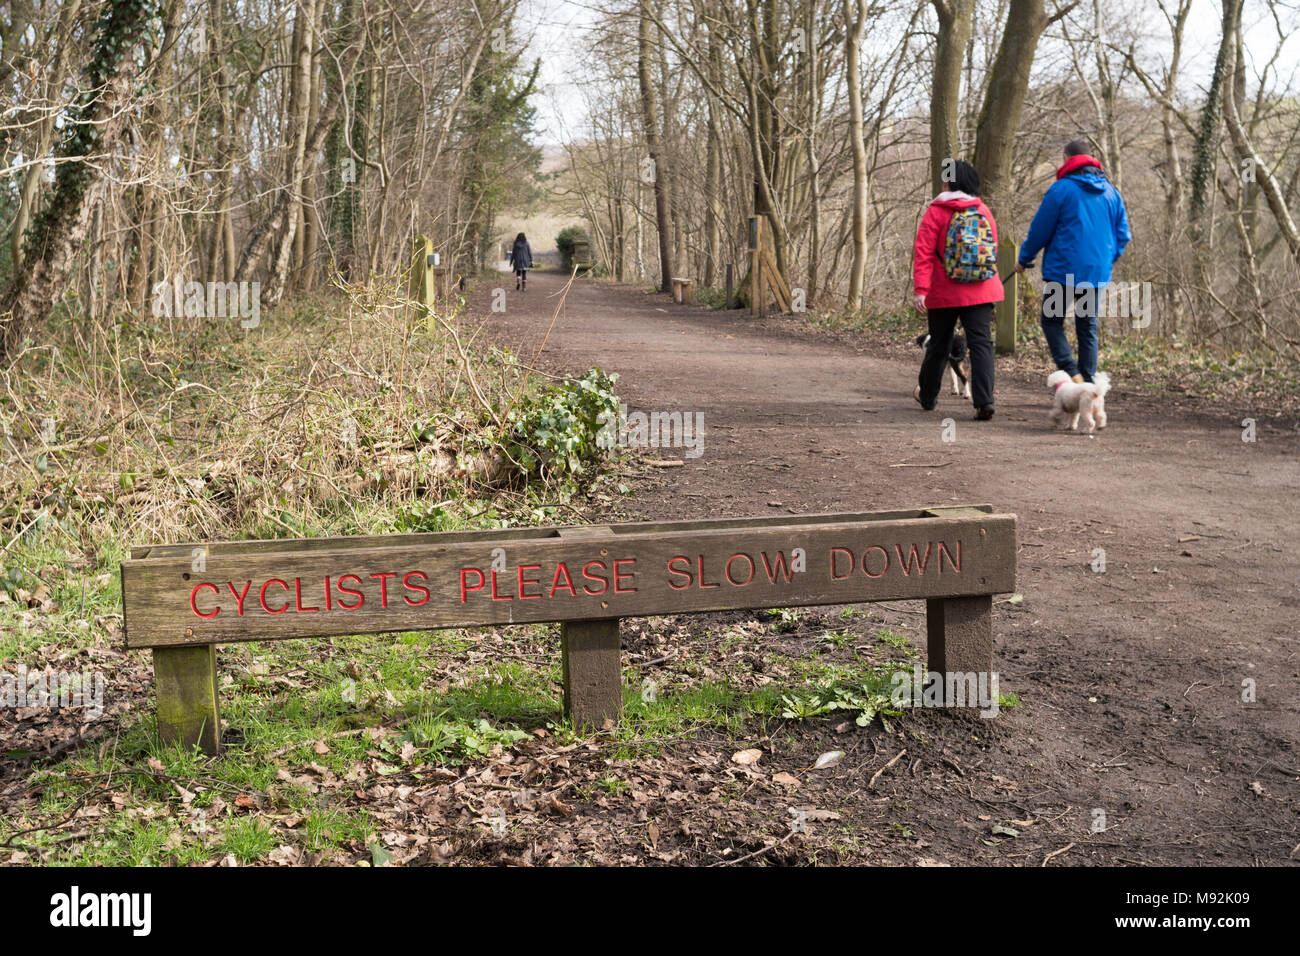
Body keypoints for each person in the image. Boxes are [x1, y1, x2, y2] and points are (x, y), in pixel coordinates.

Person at [1015, 140, 1131, 384]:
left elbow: (1040, 230)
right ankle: (1087, 383)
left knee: (1051, 321)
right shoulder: (1111, 192)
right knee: (1087, 326)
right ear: (1091, 158)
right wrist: (1108, 260)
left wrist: (1025, 259)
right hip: (1095, 272)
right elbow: (1123, 235)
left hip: (1063, 272)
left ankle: (1071, 373)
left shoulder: (1061, 190)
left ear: (1067, 158)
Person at [912, 160, 1003, 420]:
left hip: (944, 290)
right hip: (982, 289)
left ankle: (928, 397)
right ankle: (985, 401)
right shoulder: (982, 210)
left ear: (947, 182)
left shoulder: (936, 211)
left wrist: (921, 289)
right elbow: (992, 248)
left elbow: (923, 252)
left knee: (939, 344)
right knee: (981, 344)